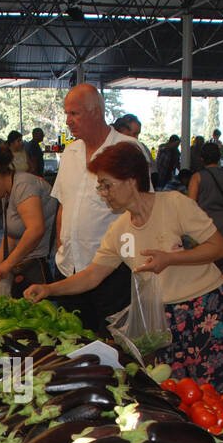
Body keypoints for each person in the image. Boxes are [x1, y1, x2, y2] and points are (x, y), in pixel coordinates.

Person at [25, 142, 223, 387]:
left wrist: (170, 258)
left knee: (216, 389)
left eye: (107, 185)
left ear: (132, 180)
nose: (103, 193)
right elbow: (92, 275)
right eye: (100, 186)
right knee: (175, 391)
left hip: (206, 308)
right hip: (163, 321)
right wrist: (49, 289)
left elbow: (220, 248)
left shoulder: (174, 205)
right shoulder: (120, 230)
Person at [49, 83, 147, 335]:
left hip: (111, 272)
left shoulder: (127, 149)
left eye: (75, 113)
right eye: (66, 113)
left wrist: (130, 259)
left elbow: (142, 208)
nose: (68, 121)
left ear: (96, 111)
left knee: (113, 344)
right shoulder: (70, 153)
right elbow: (63, 203)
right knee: (70, 340)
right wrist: (61, 243)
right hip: (68, 267)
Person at [0, 151, 58, 292]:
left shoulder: (24, 185)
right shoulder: (8, 192)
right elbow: (11, 235)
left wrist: (8, 264)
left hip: (42, 266)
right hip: (26, 263)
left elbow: (36, 230)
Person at [188, 141, 223, 282]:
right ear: (219, 157)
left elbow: (191, 205)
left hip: (205, 225)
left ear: (202, 158)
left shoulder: (197, 177)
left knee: (206, 262)